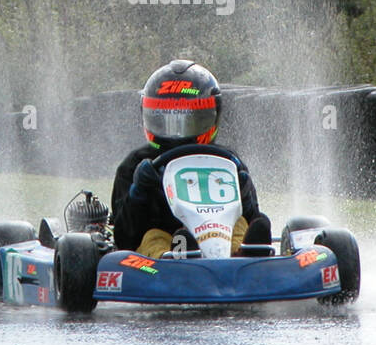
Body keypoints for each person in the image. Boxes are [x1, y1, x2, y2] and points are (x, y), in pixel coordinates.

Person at [108, 59, 272, 258]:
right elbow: (125, 238)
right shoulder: (135, 166)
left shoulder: (228, 162)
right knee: (153, 237)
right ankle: (180, 256)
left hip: (219, 233)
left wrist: (246, 199)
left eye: (190, 119)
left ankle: (246, 253)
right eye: (166, 118)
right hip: (163, 250)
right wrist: (139, 193)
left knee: (240, 224)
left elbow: (253, 218)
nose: (178, 130)